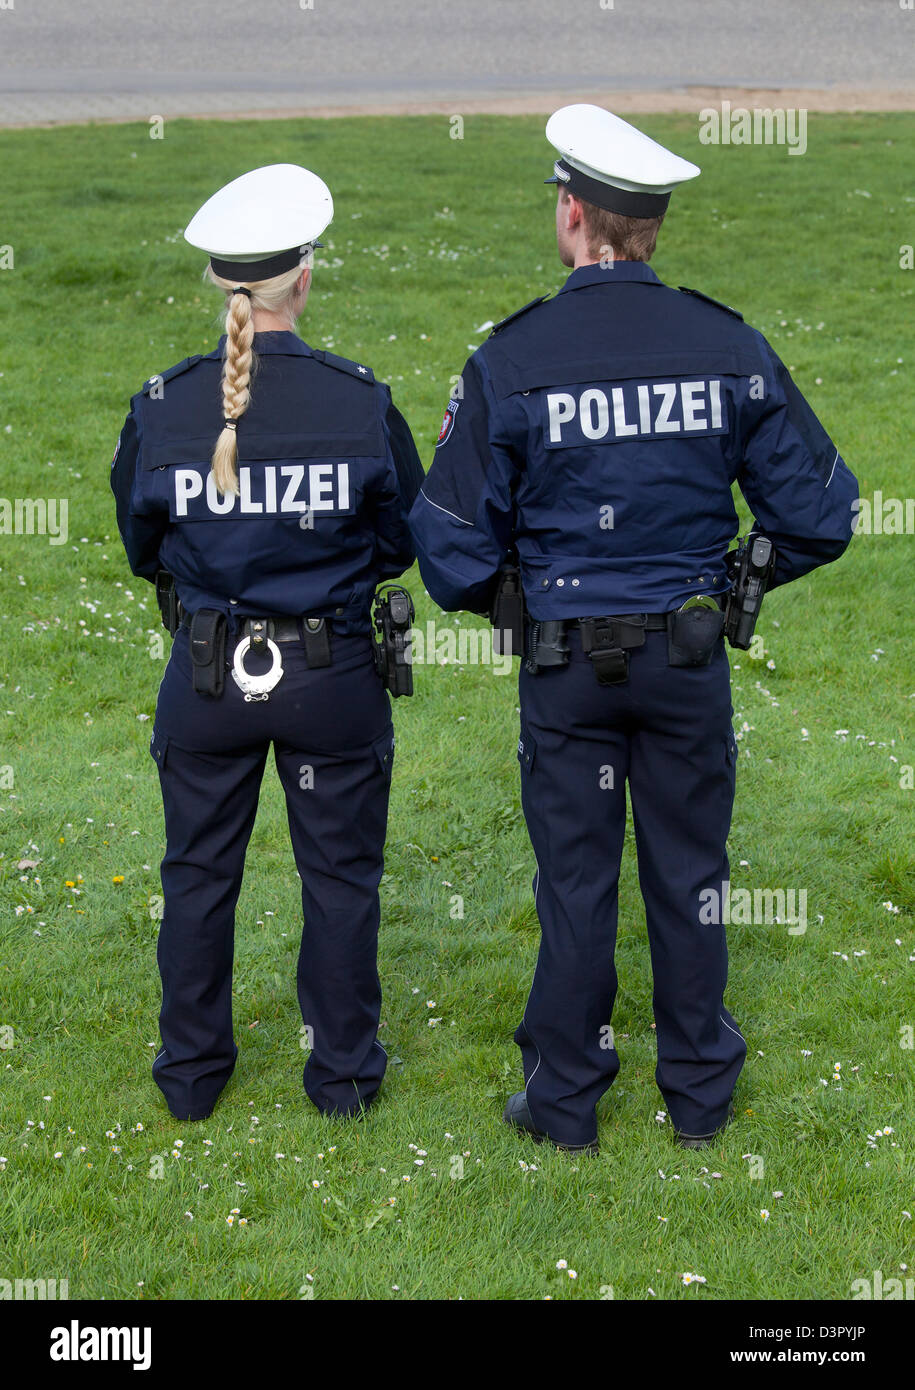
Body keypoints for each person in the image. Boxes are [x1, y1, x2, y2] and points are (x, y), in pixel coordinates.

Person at [409, 105, 858, 1154]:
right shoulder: (724, 342)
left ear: (573, 216)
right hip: (685, 654)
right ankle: (699, 1095)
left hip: (566, 663)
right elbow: (823, 513)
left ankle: (564, 1102)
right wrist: (747, 576)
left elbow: (448, 545)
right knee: (692, 873)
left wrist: (517, 606)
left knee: (574, 879)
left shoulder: (513, 356)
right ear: (651, 227)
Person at [111, 163, 423, 1122]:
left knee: (197, 877)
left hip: (207, 677)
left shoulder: (164, 404)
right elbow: (400, 539)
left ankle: (192, 1079)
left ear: (219, 285)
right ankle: (342, 1080)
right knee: (339, 881)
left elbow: (142, 544)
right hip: (330, 675)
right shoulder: (358, 401)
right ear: (306, 278)